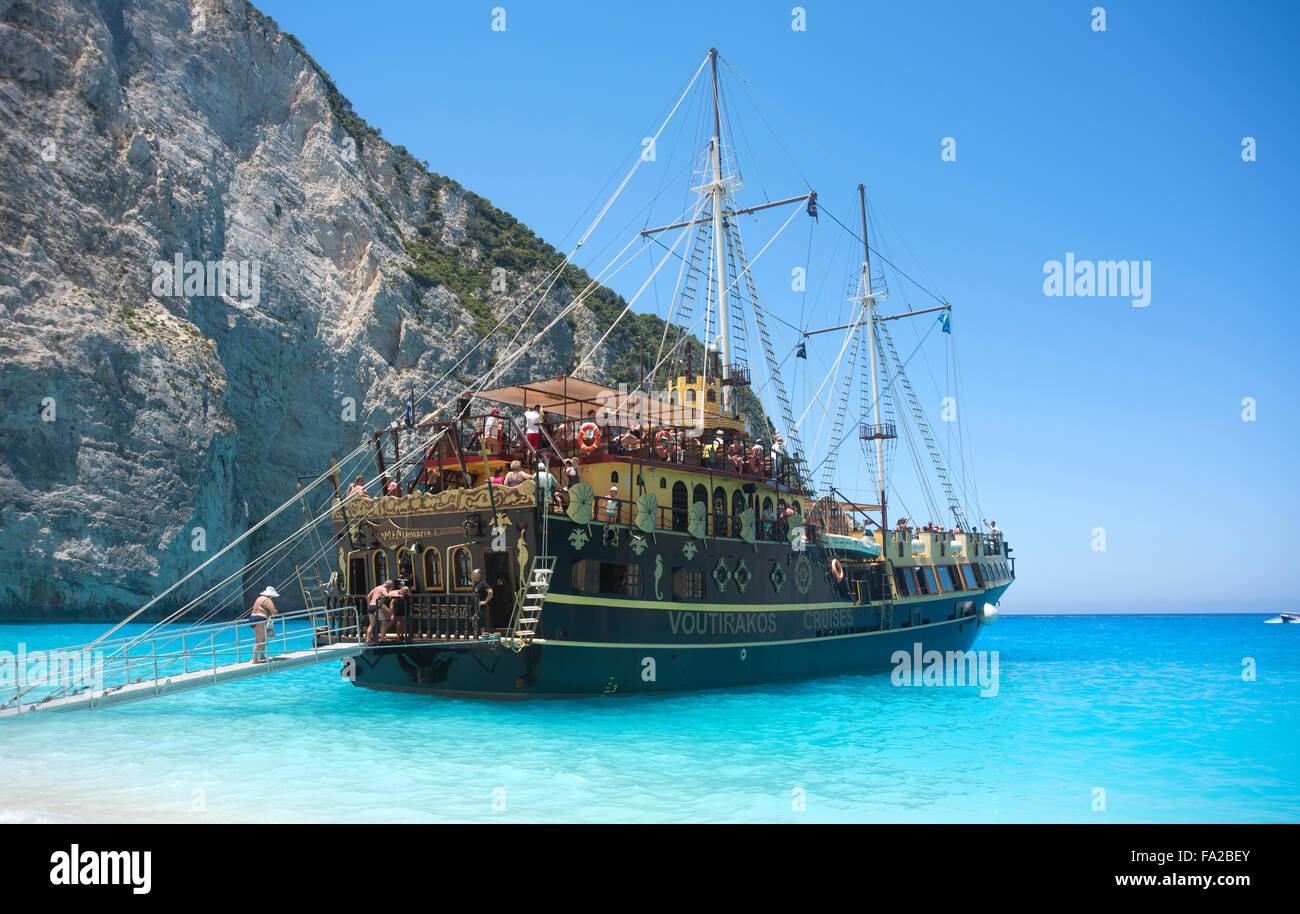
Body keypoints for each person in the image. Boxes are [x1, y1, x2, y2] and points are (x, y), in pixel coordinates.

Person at [248, 586, 279, 663]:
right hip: (260, 620)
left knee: (263, 639)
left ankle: (261, 656)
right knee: (259, 641)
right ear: (271, 595)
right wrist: (277, 613)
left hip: (252, 618)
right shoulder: (268, 600)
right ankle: (254, 659)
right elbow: (273, 611)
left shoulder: (259, 598)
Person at [365, 579, 399, 645]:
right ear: (388, 585)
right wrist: (397, 596)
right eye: (390, 587)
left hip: (370, 607)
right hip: (376, 607)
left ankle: (367, 639)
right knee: (384, 622)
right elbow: (386, 595)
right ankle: (382, 637)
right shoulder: (383, 589)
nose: (390, 589)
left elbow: (369, 596)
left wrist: (369, 604)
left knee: (371, 625)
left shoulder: (377, 588)